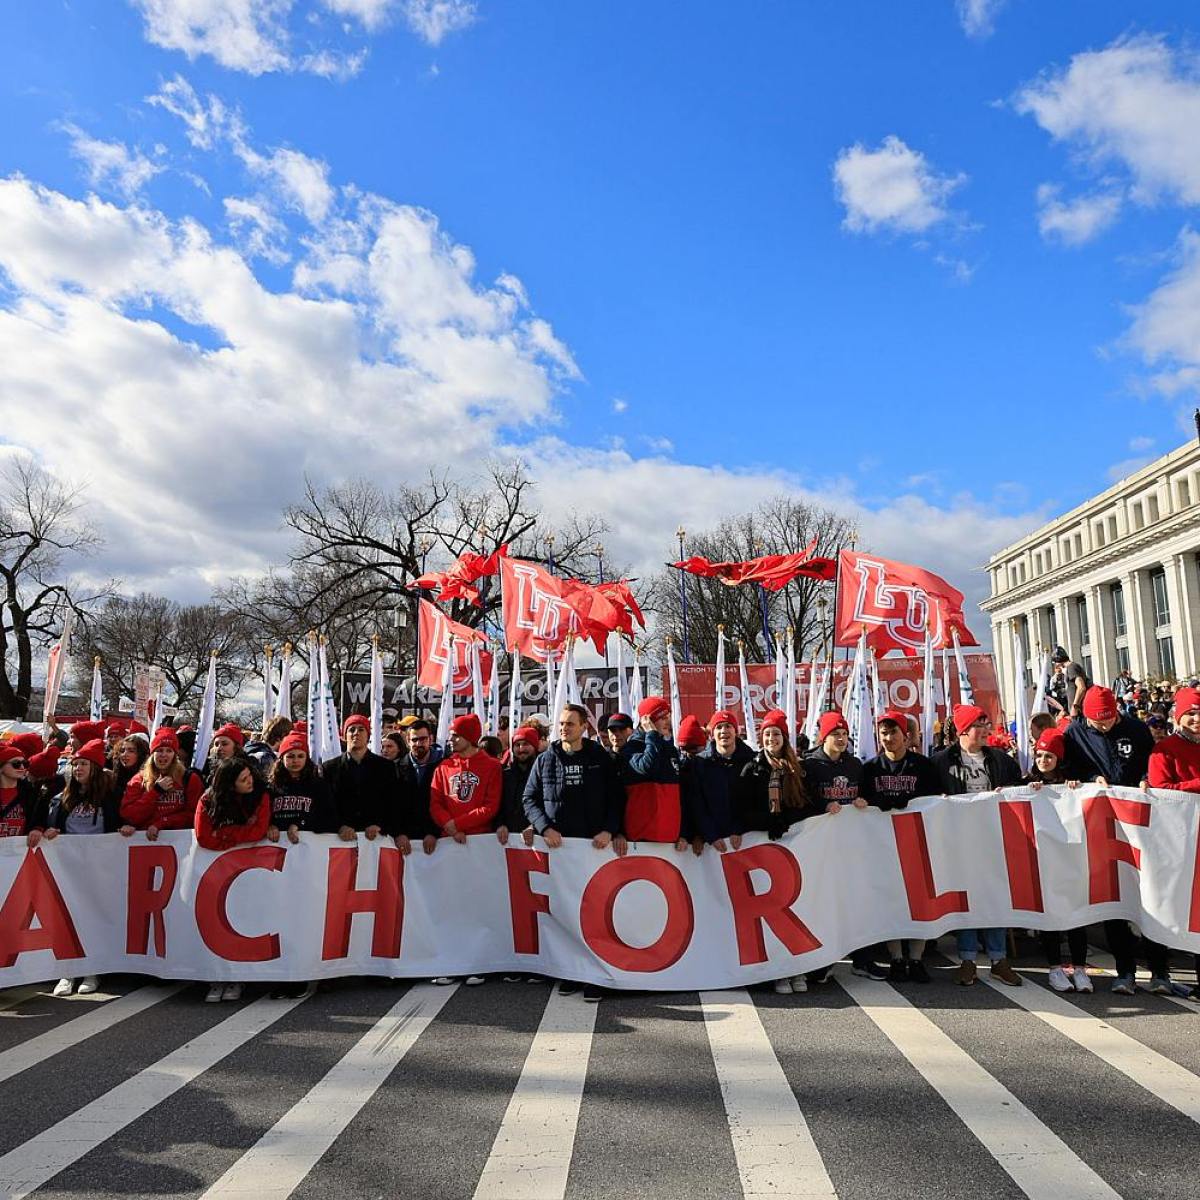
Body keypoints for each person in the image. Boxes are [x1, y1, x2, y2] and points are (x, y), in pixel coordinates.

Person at [522, 704, 627, 1001]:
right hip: (560, 852)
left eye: (571, 723)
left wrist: (609, 829)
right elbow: (529, 799)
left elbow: (617, 798)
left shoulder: (600, 759)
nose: (564, 728)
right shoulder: (545, 760)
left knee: (597, 913)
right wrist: (544, 828)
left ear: (584, 727)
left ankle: (597, 975)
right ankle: (572, 972)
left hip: (595, 851)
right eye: (561, 723)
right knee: (566, 913)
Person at [932, 704, 1023, 987]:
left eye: (986, 724)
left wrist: (1012, 793)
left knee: (995, 895)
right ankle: (968, 959)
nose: (985, 730)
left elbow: (1018, 792)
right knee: (966, 899)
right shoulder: (940, 762)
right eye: (978, 725)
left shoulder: (1001, 760)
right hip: (958, 842)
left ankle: (998, 958)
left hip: (993, 840)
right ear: (963, 731)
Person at [734, 709, 813, 994]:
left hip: (794, 843)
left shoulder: (797, 768)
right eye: (766, 734)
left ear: (784, 738)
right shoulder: (751, 768)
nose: (771, 739)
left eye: (776, 734)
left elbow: (807, 803)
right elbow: (742, 809)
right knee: (771, 908)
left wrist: (789, 819)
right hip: (764, 844)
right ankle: (779, 972)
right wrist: (770, 821)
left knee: (797, 906)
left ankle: (799, 968)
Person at [861, 710, 942, 982]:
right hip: (884, 847)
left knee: (920, 901)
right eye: (883, 733)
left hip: (918, 843)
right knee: (891, 900)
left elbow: (936, 799)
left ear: (905, 736)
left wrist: (901, 800)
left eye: (893, 732)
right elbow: (864, 801)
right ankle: (896, 958)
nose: (888, 738)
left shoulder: (923, 765)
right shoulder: (870, 768)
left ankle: (916, 959)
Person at [429, 713, 502, 988]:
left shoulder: (491, 766)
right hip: (449, 844)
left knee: (477, 907)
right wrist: (448, 826)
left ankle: (478, 963)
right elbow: (435, 801)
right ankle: (450, 962)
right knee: (449, 906)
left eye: (457, 735)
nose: (451, 739)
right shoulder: (443, 767)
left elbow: (490, 806)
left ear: (470, 737)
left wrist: (458, 824)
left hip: (478, 844)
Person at [42, 739, 120, 997]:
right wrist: (48, 830)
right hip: (68, 868)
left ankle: (92, 970)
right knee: (67, 918)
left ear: (95, 768)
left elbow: (120, 822)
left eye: (83, 764)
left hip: (99, 869)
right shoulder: (62, 797)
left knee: (93, 917)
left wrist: (125, 828)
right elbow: (48, 824)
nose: (77, 769)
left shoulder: (109, 798)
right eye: (75, 764)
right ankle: (67, 971)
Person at [195, 758, 272, 1003]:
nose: (250, 781)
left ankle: (238, 976)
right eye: (243, 780)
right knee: (216, 920)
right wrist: (237, 836)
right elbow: (204, 837)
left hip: (248, 871)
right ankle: (217, 977)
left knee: (243, 920)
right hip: (216, 873)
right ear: (229, 785)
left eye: (250, 776)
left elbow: (257, 831)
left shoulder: (261, 795)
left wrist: (225, 835)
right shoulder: (208, 800)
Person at [1022, 729, 1092, 993]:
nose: (1043, 760)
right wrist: (1027, 791)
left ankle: (1080, 968)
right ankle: (1054, 968)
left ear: (1059, 759)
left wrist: (1075, 790)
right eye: (1039, 755)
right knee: (1050, 916)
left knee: (1076, 916)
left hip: (1071, 858)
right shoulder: (1027, 783)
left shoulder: (1074, 783)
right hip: (1044, 860)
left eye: (1049, 756)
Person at [1147, 685, 1200, 999]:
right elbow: (1162, 791)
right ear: (1178, 717)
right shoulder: (1163, 750)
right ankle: (1160, 971)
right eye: (1190, 713)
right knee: (1174, 906)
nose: (1196, 719)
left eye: (1199, 713)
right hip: (1177, 842)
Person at [324, 714, 424, 853]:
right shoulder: (329, 768)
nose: (356, 733)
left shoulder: (386, 767)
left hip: (376, 842)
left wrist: (381, 825)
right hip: (340, 843)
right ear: (343, 735)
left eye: (361, 729)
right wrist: (340, 826)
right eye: (351, 730)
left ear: (368, 735)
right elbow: (325, 804)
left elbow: (395, 803)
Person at [622, 696, 685, 848]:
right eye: (662, 717)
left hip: (670, 838)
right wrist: (651, 734)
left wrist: (684, 833)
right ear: (647, 720)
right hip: (641, 838)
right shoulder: (631, 748)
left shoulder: (670, 750)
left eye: (668, 717)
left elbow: (682, 795)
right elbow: (647, 767)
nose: (667, 722)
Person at [119, 728, 204, 838]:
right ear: (152, 754)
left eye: (169, 750)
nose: (163, 755)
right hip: (144, 843)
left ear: (175, 755)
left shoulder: (190, 779)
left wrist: (162, 823)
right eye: (159, 750)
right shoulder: (139, 779)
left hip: (180, 843)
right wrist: (155, 791)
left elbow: (195, 815)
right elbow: (129, 815)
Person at [693, 709, 753, 851]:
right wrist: (711, 835)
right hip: (711, 843)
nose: (724, 731)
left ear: (736, 731)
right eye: (719, 727)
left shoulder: (751, 760)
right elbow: (696, 802)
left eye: (728, 726)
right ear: (712, 734)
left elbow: (752, 801)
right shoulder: (700, 763)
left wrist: (738, 829)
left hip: (745, 840)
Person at [498, 725, 540, 847]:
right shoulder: (505, 774)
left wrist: (536, 827)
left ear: (535, 746)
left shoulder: (543, 774)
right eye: (517, 745)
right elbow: (498, 804)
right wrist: (500, 824)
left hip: (536, 841)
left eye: (526, 744)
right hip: (507, 842)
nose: (521, 749)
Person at [0, 741, 46, 845]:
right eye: (16, 764)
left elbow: (40, 818)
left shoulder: (32, 793)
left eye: (25, 764)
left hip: (19, 853)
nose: (22, 768)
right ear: (1, 767)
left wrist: (37, 829)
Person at [1049, 646, 1089, 717]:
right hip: (1076, 713)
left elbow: (1081, 688)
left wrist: (1075, 707)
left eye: (1055, 663)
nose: (1055, 666)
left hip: (1080, 713)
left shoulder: (1071, 667)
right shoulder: (1069, 669)